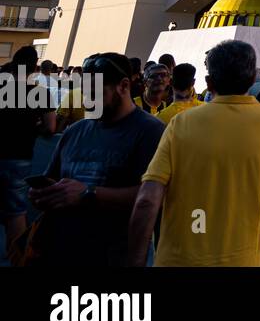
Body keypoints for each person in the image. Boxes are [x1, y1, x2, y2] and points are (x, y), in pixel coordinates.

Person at [126, 40, 260, 266]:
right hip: (247, 259)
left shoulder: (180, 123)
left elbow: (147, 199)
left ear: (209, 82)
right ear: (251, 79)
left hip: (180, 259)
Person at [29, 52, 165, 267]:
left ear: (123, 86)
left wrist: (87, 193)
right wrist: (42, 194)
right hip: (63, 251)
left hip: (114, 255)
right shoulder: (75, 131)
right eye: (84, 92)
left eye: (95, 93)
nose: (87, 101)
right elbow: (52, 178)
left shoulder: (150, 131)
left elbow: (152, 196)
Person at [0, 45, 53, 249]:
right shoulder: (40, 93)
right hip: (19, 156)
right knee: (16, 211)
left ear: (13, 63)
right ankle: (15, 257)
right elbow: (50, 126)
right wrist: (33, 126)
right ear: (35, 68)